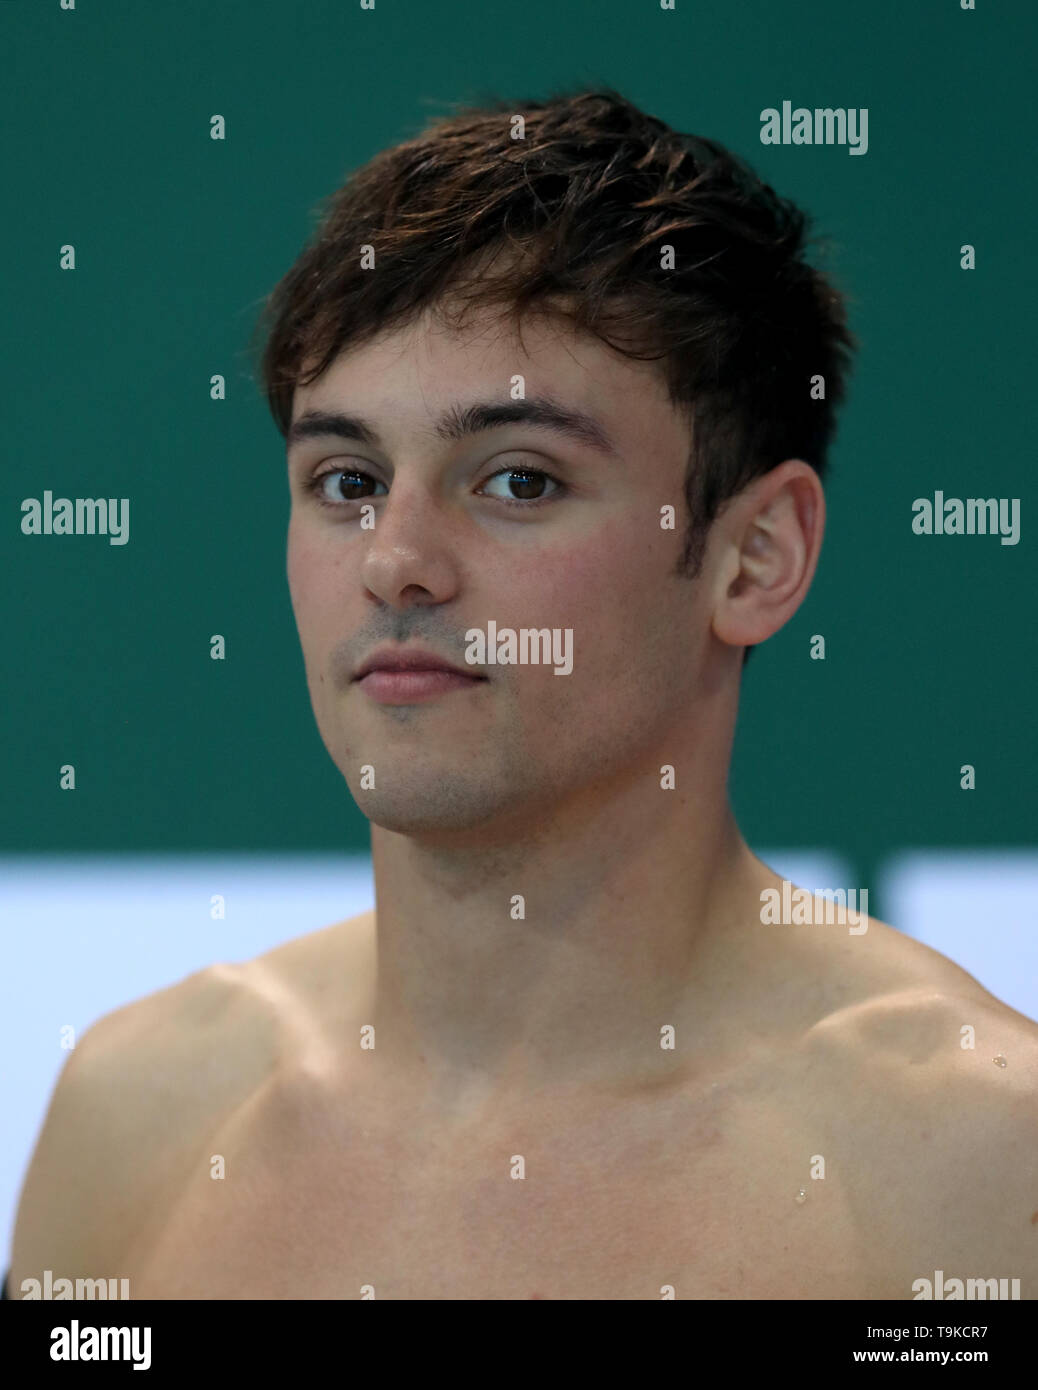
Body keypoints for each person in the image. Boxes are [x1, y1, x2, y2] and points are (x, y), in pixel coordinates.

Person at [8, 88, 1036, 1301]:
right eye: (345, 480)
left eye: (518, 481)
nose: (393, 560)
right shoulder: (135, 1116)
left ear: (753, 558)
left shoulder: (973, 1165)